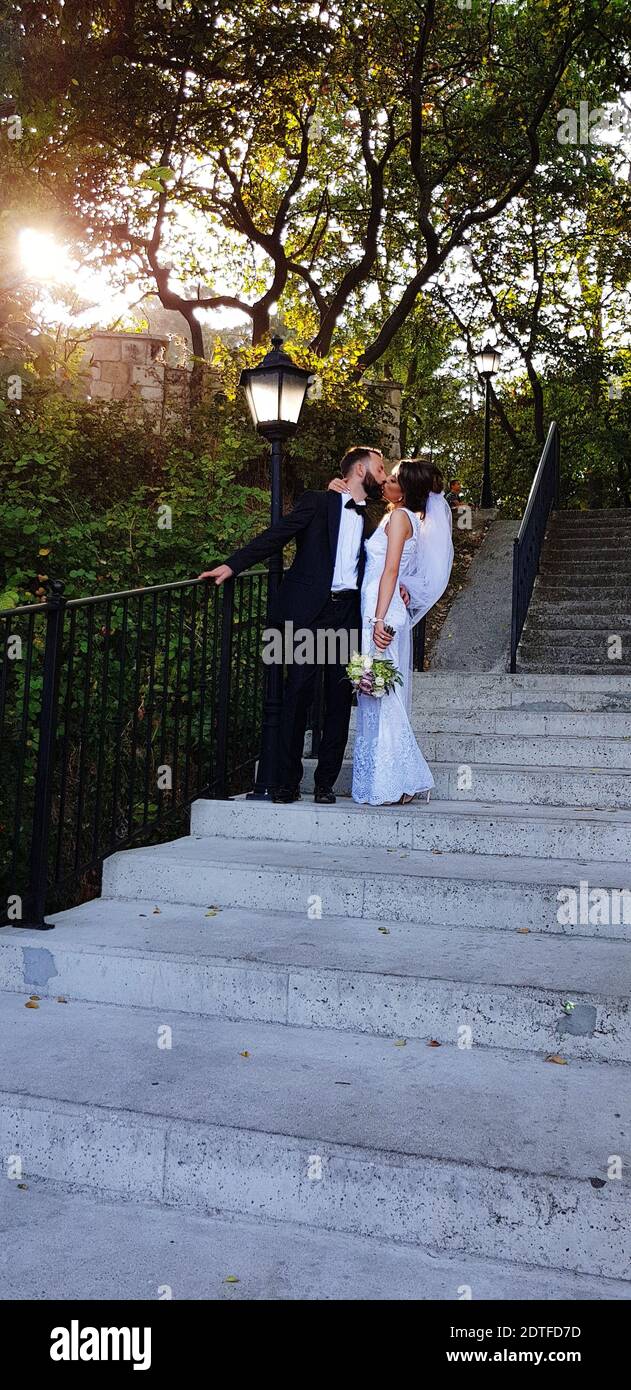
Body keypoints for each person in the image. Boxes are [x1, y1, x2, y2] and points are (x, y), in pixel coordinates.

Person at [199, 445, 387, 804]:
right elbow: (277, 535)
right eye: (379, 469)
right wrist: (232, 565)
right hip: (307, 614)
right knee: (297, 693)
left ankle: (325, 784)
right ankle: (287, 782)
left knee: (338, 700)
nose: (383, 476)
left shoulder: (372, 520)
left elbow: (383, 567)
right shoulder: (318, 501)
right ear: (360, 470)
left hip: (346, 616)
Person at [328, 458, 454, 804]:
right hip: (377, 607)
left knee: (382, 694)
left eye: (394, 479)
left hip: (381, 613)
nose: (386, 482)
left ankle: (400, 781)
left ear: (406, 490)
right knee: (374, 694)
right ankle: (384, 781)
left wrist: (379, 620)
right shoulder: (396, 516)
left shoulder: (400, 518)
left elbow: (391, 570)